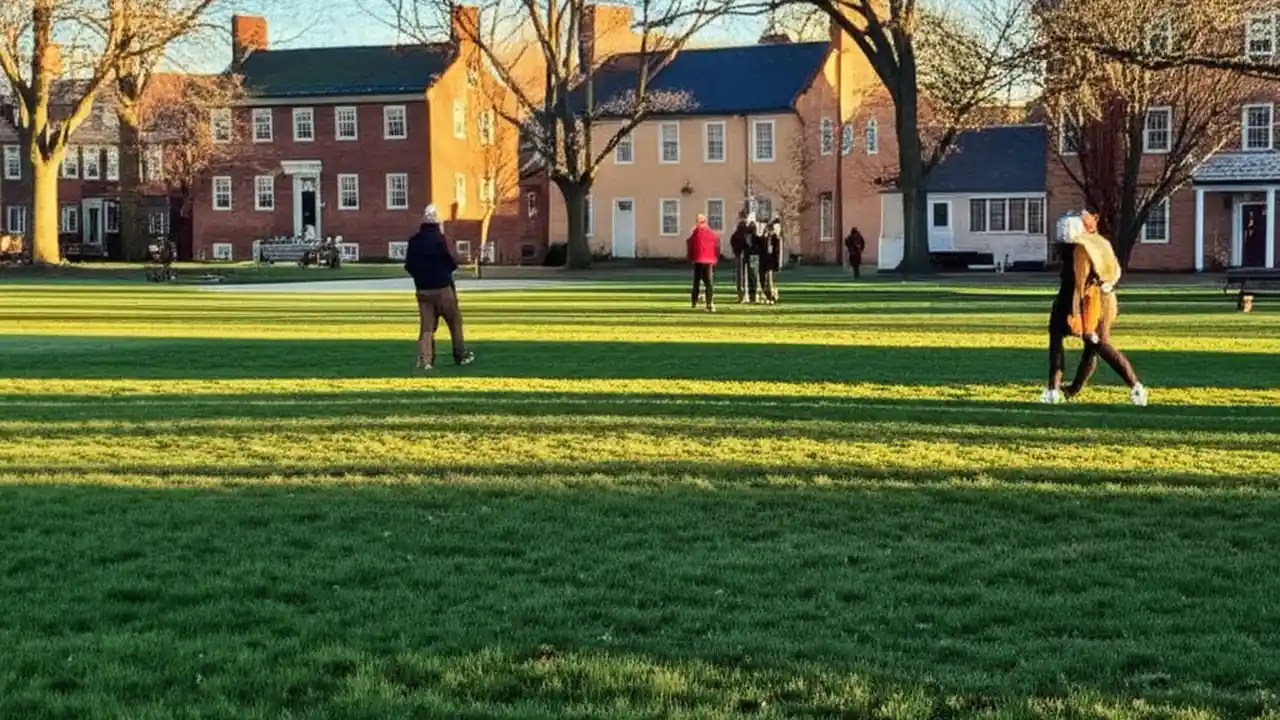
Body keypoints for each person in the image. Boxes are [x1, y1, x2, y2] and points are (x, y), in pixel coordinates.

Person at [1041, 210, 1147, 406]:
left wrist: (1077, 313)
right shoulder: (1101, 243)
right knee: (1095, 346)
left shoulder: (1079, 249)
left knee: (1075, 339)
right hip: (1107, 299)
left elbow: (1078, 286)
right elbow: (1115, 272)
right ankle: (1074, 389)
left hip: (1086, 302)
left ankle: (1053, 390)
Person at [404, 205, 475, 371]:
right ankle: (460, 355)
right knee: (454, 322)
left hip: (422, 290)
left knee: (427, 327)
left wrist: (420, 278)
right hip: (443, 288)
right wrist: (446, 272)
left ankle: (425, 360)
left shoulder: (414, 241)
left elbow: (409, 265)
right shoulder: (441, 239)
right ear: (437, 222)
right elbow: (452, 259)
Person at [686, 213, 719, 312]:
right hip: (709, 261)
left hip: (698, 260)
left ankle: (694, 301)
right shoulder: (711, 233)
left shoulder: (696, 232)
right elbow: (716, 245)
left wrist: (691, 257)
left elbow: (690, 244)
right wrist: (715, 259)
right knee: (709, 283)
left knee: (696, 282)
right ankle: (709, 302)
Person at [729, 214, 752, 303]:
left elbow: (733, 241)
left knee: (742, 276)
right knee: (745, 275)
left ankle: (743, 295)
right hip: (744, 255)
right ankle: (746, 295)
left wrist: (736, 250)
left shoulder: (740, 232)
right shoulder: (746, 231)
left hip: (742, 255)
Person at [759, 219, 783, 304]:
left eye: (770, 230)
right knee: (763, 280)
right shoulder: (764, 238)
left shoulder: (775, 239)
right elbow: (761, 247)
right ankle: (768, 295)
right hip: (764, 262)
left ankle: (772, 296)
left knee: (770, 281)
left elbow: (777, 252)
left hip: (771, 262)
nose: (769, 232)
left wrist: (777, 264)